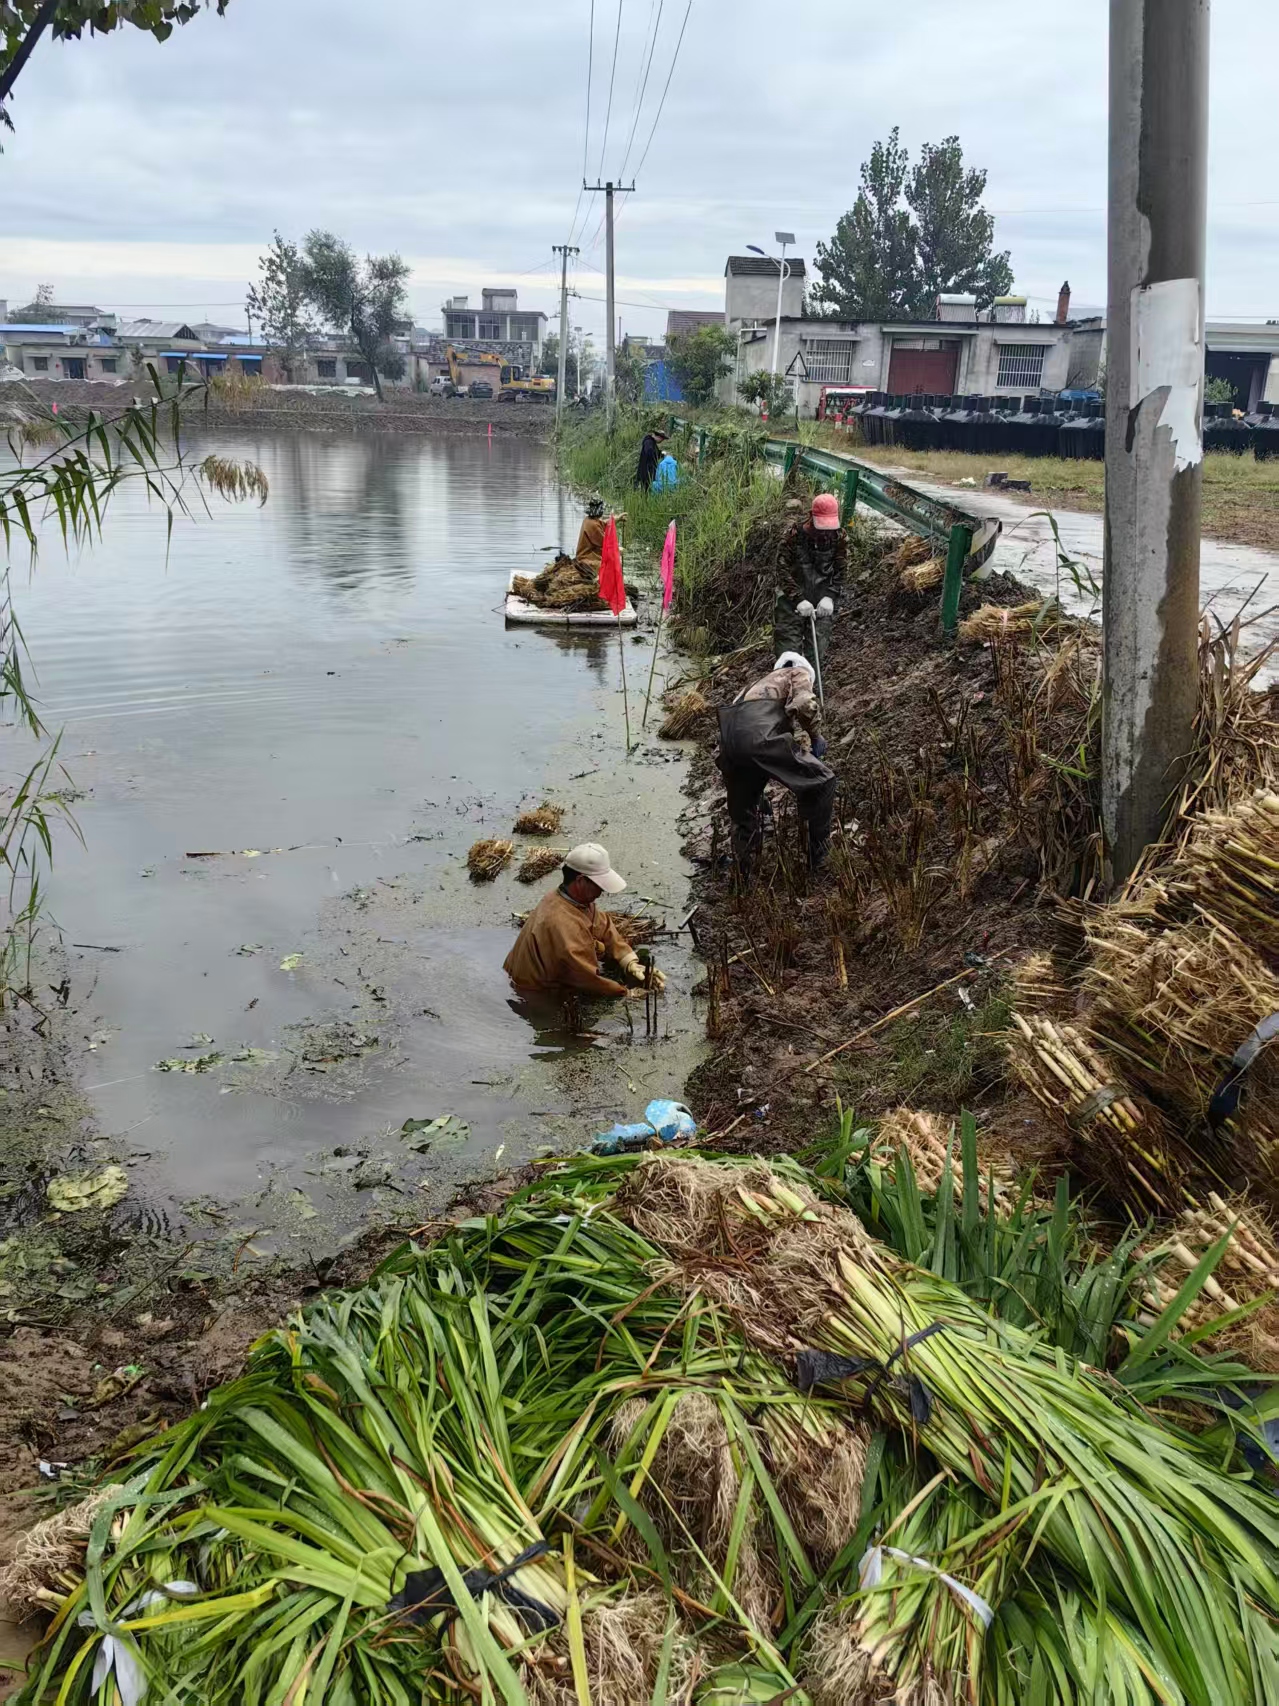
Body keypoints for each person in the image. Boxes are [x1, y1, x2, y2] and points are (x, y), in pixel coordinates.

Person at [715, 653, 836, 878]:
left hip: (729, 747)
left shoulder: (752, 687)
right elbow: (803, 703)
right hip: (758, 738)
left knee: (744, 812)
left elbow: (738, 730)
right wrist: (815, 735)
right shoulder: (796, 672)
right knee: (822, 782)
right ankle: (819, 859)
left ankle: (744, 874)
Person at [504, 842, 666, 998]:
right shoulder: (562, 922)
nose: (602, 891)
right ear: (580, 881)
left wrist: (628, 960)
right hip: (534, 993)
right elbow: (585, 977)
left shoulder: (567, 898)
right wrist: (625, 992)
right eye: (599, 885)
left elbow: (602, 925)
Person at [774, 491, 847, 670]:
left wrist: (830, 596)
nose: (825, 532)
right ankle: (787, 691)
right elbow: (781, 570)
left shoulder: (839, 537)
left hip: (822, 600)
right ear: (811, 517)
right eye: (822, 526)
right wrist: (798, 599)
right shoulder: (793, 536)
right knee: (788, 654)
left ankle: (810, 693)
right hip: (791, 601)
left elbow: (841, 569)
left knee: (816, 652)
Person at [573, 497, 608, 572]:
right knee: (607, 566)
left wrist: (617, 518)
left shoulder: (588, 519)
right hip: (585, 559)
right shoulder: (593, 525)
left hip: (586, 556)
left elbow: (603, 524)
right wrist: (618, 549)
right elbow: (605, 543)